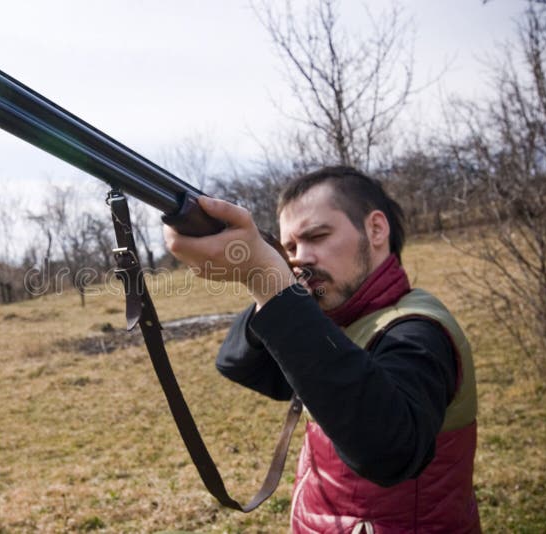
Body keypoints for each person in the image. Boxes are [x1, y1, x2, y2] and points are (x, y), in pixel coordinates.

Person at [163, 166, 480, 533]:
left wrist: (270, 282)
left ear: (376, 230)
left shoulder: (417, 332)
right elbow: (237, 363)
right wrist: (275, 281)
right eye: (290, 247)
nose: (302, 258)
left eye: (317, 236)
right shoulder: (333, 321)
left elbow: (389, 451)